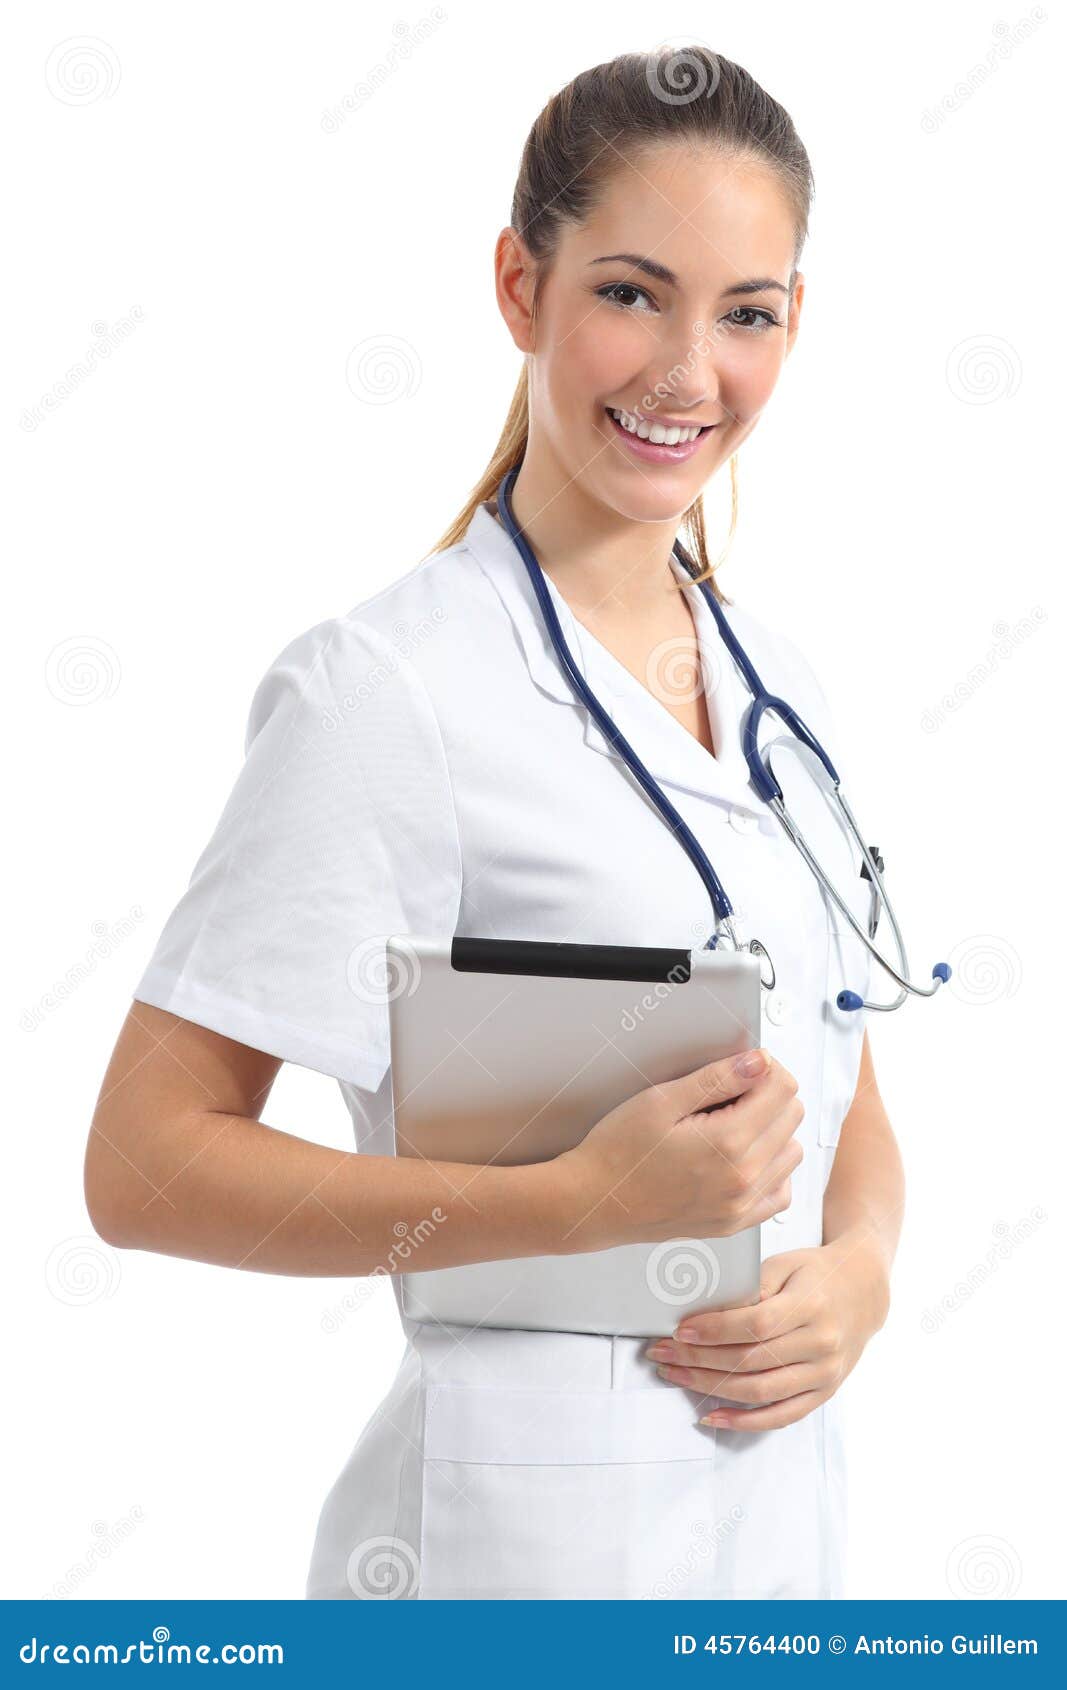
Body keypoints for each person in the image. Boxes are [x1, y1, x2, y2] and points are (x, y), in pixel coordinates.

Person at [84, 45, 903, 1600]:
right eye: (631, 293)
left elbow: (842, 1079)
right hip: (504, 1571)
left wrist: (857, 1279)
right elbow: (141, 1165)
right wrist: (568, 1208)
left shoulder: (778, 689)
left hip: (777, 1560)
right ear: (522, 289)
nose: (684, 372)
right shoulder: (384, 692)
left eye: (746, 313)